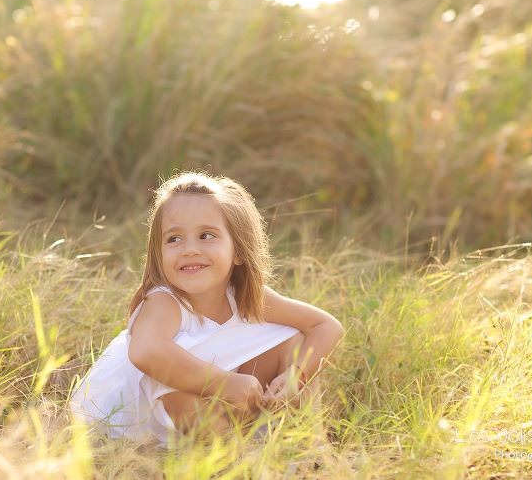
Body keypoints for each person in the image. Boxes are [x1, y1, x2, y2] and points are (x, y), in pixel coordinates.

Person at [70, 171, 345, 447]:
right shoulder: (164, 301)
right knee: (177, 390)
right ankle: (228, 458)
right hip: (155, 419)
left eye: (206, 235)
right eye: (174, 239)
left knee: (293, 342)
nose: (189, 249)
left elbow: (325, 326)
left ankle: (309, 448)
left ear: (238, 251)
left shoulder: (244, 296)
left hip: (225, 399)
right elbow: (145, 352)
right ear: (158, 252)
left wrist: (296, 374)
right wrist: (227, 384)